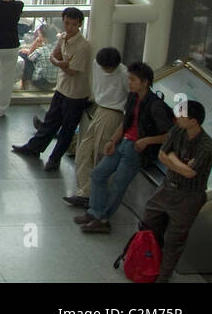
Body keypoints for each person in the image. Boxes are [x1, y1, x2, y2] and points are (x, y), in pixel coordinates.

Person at [75, 61, 175, 233]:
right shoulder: (132, 98)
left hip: (137, 150)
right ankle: (95, 212)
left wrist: (147, 141)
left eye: (133, 80)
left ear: (145, 82)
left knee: (118, 185)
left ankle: (103, 219)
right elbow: (126, 122)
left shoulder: (155, 105)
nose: (129, 83)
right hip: (124, 143)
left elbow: (169, 134)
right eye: (129, 79)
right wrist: (113, 141)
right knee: (98, 174)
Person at [135, 101, 212, 281]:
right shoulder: (177, 131)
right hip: (167, 187)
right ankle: (151, 261)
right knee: (148, 221)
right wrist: (177, 161)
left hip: (189, 196)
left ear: (194, 121)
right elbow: (163, 155)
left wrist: (173, 159)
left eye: (182, 115)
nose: (177, 117)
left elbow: (189, 173)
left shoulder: (205, 146)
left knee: (175, 240)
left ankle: (163, 276)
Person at [12, 7, 92, 171]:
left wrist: (60, 63)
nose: (69, 27)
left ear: (80, 25)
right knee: (51, 121)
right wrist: (60, 63)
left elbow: (73, 71)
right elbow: (55, 57)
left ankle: (54, 159)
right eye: (67, 23)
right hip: (62, 88)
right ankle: (34, 147)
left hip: (76, 94)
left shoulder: (83, 47)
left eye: (73, 24)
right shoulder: (63, 38)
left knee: (67, 129)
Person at [64, 46, 128, 208]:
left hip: (114, 113)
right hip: (100, 110)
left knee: (101, 155)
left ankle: (94, 196)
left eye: (109, 68)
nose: (106, 70)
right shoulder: (96, 64)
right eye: (104, 67)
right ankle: (85, 192)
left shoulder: (124, 74)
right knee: (84, 151)